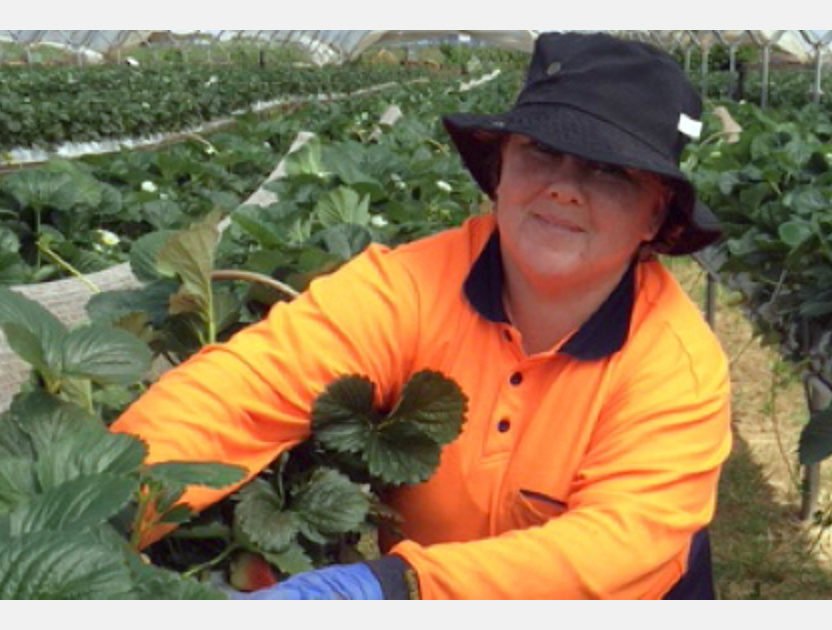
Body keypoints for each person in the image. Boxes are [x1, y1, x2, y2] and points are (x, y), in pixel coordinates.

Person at [111, 31, 733, 600]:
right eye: (541, 152)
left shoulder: (673, 363)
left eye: (608, 172)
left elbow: (613, 552)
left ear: (655, 215)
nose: (564, 188)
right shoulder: (408, 286)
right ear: (500, 170)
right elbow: (242, 391)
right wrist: (97, 505)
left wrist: (393, 588)